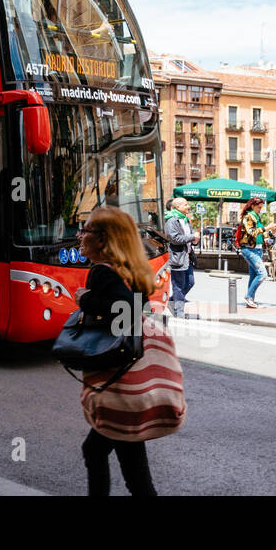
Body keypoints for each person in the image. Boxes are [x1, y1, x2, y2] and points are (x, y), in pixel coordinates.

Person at [75, 207, 158, 496]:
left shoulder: (101, 272)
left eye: (85, 230)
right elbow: (138, 306)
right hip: (130, 371)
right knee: (125, 460)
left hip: (115, 378)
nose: (79, 236)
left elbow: (124, 310)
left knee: (100, 452)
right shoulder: (130, 269)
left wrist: (86, 300)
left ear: (103, 239)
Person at [164, 197, 196, 318]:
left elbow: (189, 237)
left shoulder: (185, 219)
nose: (188, 207)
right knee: (178, 285)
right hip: (177, 257)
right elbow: (175, 239)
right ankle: (179, 312)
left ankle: (172, 302)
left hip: (187, 256)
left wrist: (195, 240)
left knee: (190, 283)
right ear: (178, 207)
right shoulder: (172, 220)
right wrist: (193, 237)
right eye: (186, 205)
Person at [236, 197, 269, 308]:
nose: (261, 209)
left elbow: (260, 234)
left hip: (257, 249)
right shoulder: (248, 217)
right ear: (252, 206)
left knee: (254, 275)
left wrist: (269, 232)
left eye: (261, 207)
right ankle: (248, 297)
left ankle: (250, 300)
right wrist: (266, 228)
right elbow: (251, 232)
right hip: (249, 249)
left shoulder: (257, 217)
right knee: (262, 274)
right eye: (259, 207)